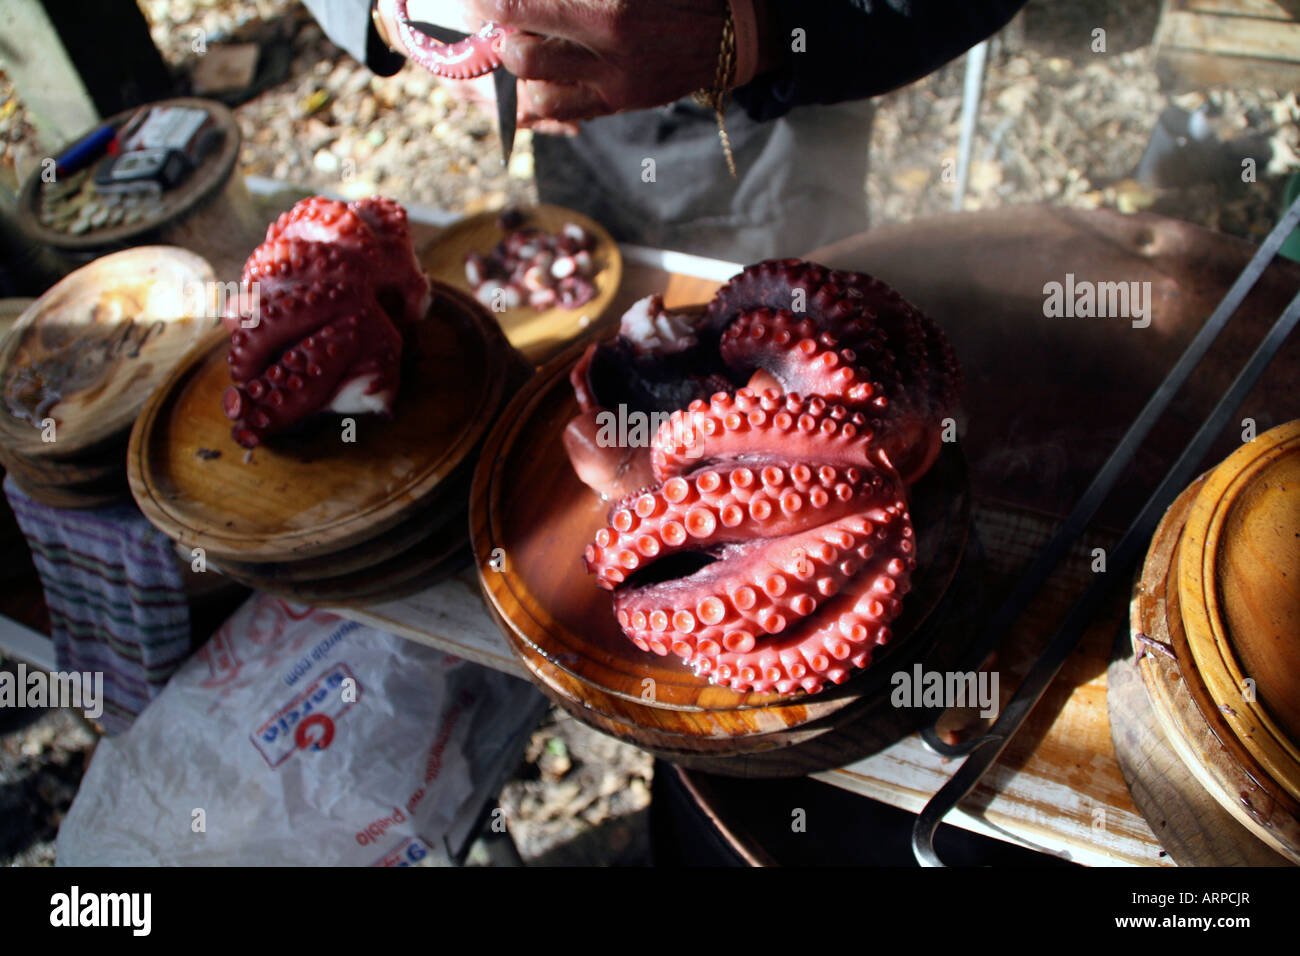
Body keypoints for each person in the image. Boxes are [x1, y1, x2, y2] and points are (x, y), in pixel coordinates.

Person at [301, 0, 1027, 260]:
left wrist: (762, 28)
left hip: (763, 135)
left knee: (773, 322)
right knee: (601, 295)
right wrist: (398, 17)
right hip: (576, 144)